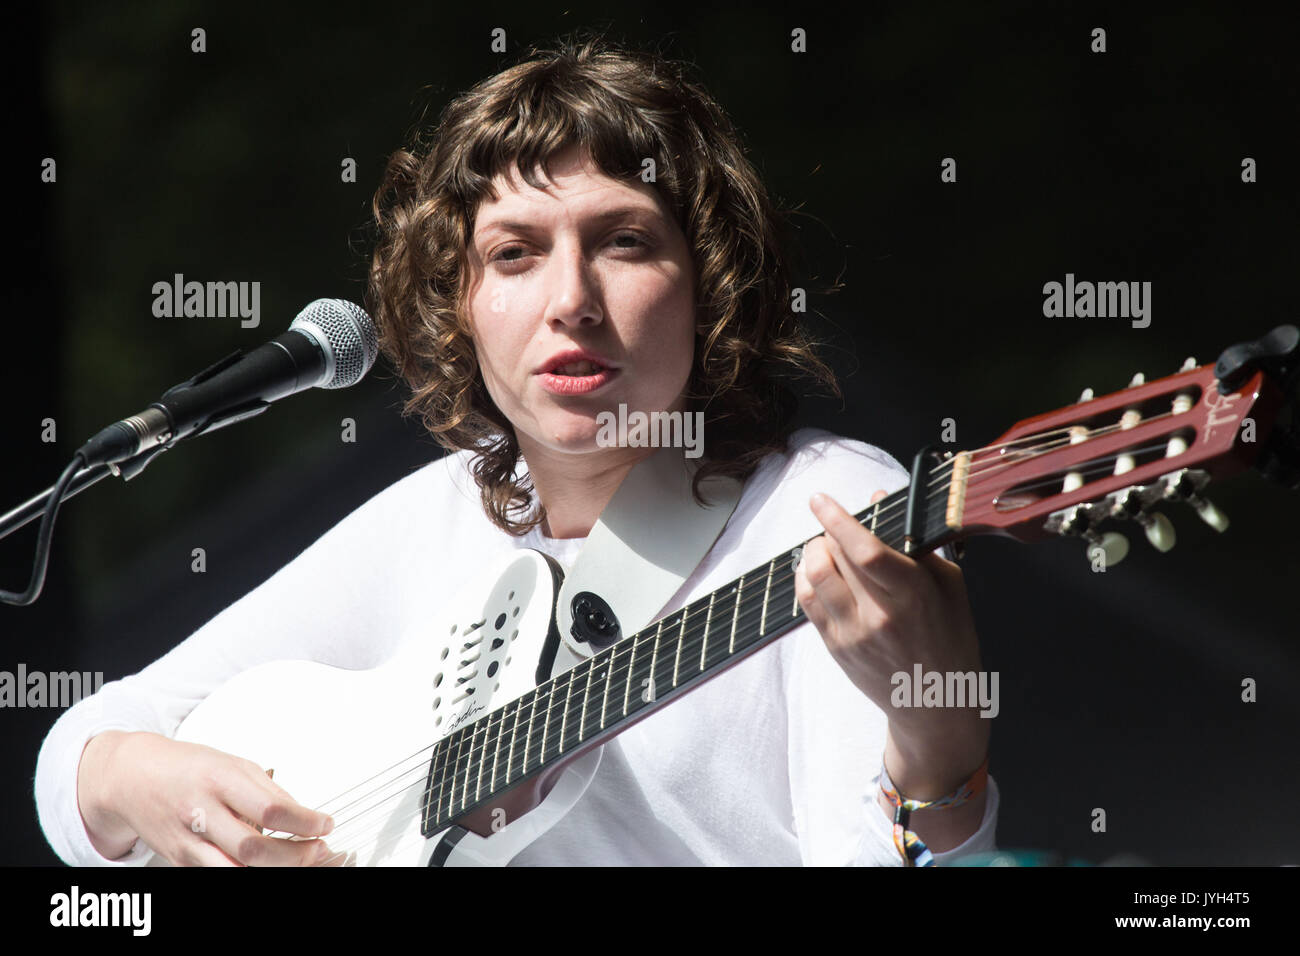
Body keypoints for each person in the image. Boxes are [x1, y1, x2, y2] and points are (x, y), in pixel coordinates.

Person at [35, 35, 998, 866]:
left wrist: (935, 743)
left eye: (623, 241)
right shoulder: (441, 514)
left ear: (707, 284)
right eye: (514, 253)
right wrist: (132, 778)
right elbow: (76, 752)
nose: (569, 298)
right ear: (460, 305)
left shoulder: (825, 514)